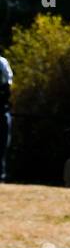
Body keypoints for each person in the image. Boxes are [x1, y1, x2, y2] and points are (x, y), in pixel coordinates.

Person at [0, 53, 12, 182]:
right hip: (3, 111)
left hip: (2, 110)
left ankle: (1, 177)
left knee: (2, 145)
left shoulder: (1, 62)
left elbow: (7, 87)